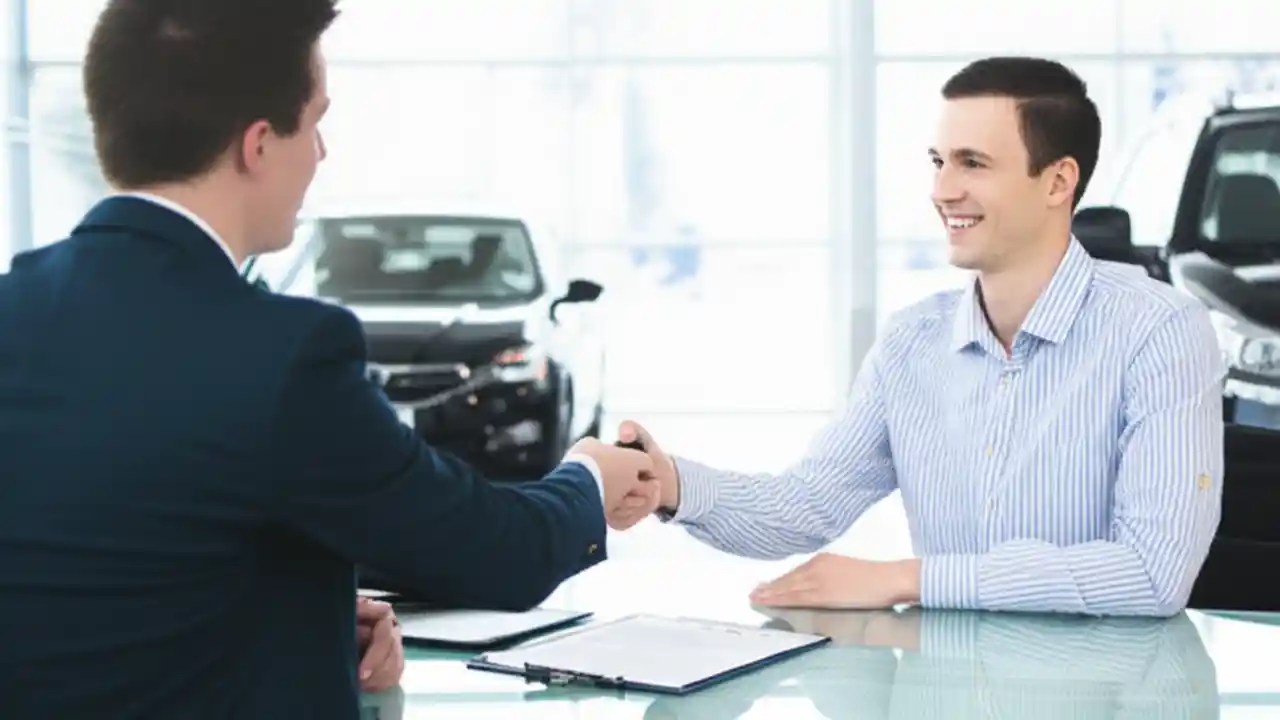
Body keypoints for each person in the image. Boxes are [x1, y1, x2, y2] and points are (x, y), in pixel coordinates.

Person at [0, 1, 658, 717]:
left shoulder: (15, 309)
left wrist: (307, 611)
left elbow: (104, 560)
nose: (321, 153)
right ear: (257, 144)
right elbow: (502, 554)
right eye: (315, 123)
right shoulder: (282, 355)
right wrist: (591, 475)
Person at [621, 56, 1226, 618]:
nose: (941, 191)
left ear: (1057, 182)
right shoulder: (913, 344)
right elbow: (806, 504)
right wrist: (670, 484)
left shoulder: (1160, 332)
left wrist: (909, 579)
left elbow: (1152, 573)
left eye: (973, 163)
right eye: (939, 162)